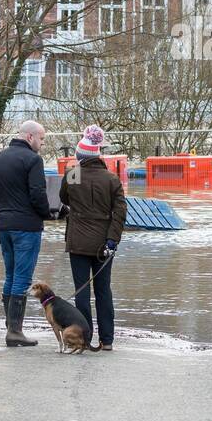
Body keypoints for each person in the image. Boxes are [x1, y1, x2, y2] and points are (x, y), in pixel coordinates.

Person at [0, 119, 51, 346]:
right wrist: (47, 214)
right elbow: (38, 193)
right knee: (22, 278)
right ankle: (14, 331)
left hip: (4, 225)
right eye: (41, 139)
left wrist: (0, 212)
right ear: (30, 137)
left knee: (11, 275)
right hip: (27, 227)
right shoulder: (33, 160)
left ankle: (11, 327)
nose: (41, 144)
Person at [59, 125, 126, 351]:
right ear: (99, 155)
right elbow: (120, 212)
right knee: (103, 291)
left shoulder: (73, 174)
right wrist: (112, 240)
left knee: (82, 291)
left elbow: (64, 198)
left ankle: (85, 338)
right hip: (103, 244)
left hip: (77, 242)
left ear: (80, 155)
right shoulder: (111, 178)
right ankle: (107, 340)